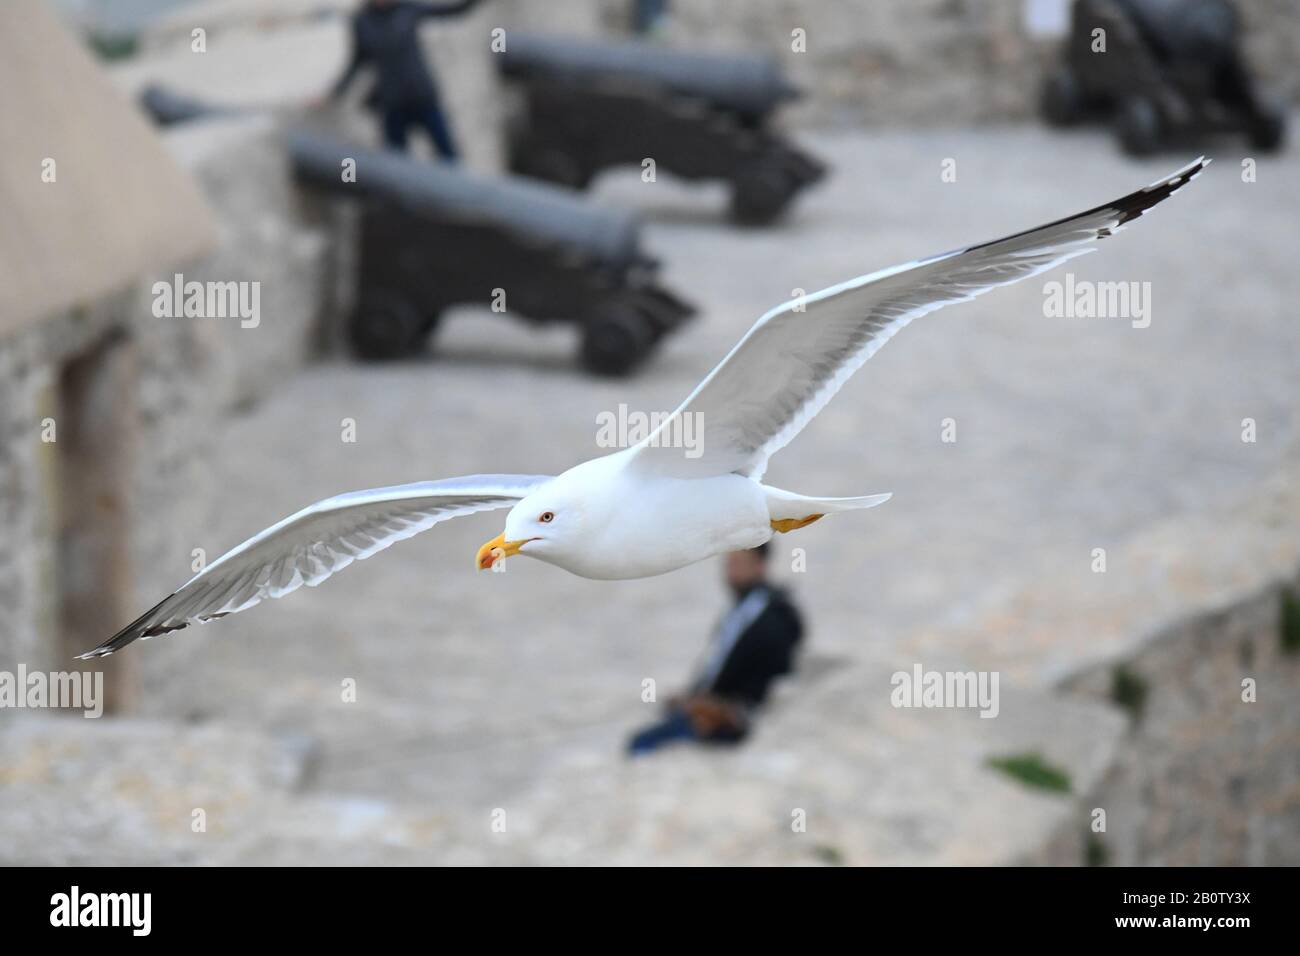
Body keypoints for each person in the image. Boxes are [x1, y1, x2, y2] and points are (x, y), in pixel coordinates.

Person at [627, 544, 803, 755]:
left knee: (641, 744)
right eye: (729, 564)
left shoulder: (772, 615)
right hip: (707, 709)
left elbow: (774, 680)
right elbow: (716, 665)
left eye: (738, 564)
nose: (731, 572)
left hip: (733, 720)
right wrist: (693, 698)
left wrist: (724, 707)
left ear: (760, 566)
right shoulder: (743, 609)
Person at [325, 0, 480, 159]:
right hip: (393, 105)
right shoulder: (362, 21)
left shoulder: (408, 9)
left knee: (448, 155)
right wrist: (333, 94)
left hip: (423, 97)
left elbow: (453, 11)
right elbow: (357, 62)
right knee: (396, 162)